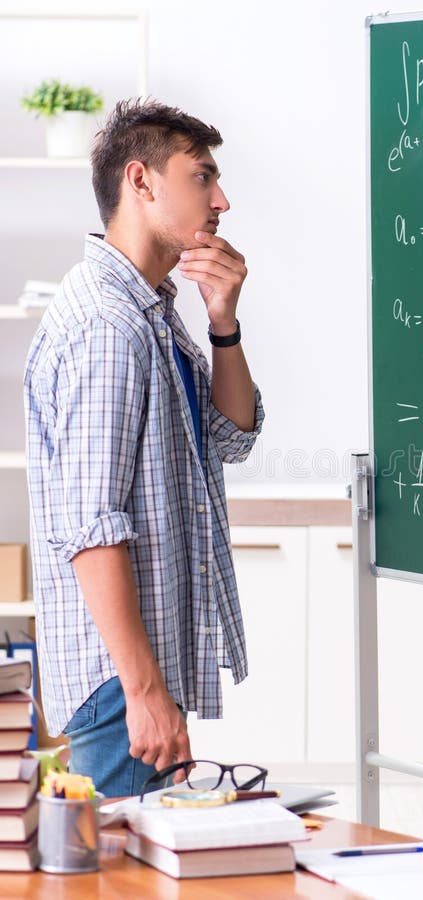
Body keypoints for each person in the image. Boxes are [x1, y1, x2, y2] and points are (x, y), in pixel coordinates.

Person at [23, 99, 264, 797]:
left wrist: (224, 325)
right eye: (202, 177)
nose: (221, 200)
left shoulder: (151, 309)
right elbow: (90, 525)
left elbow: (231, 437)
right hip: (120, 684)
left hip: (133, 672)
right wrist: (144, 689)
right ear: (141, 181)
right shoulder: (108, 325)